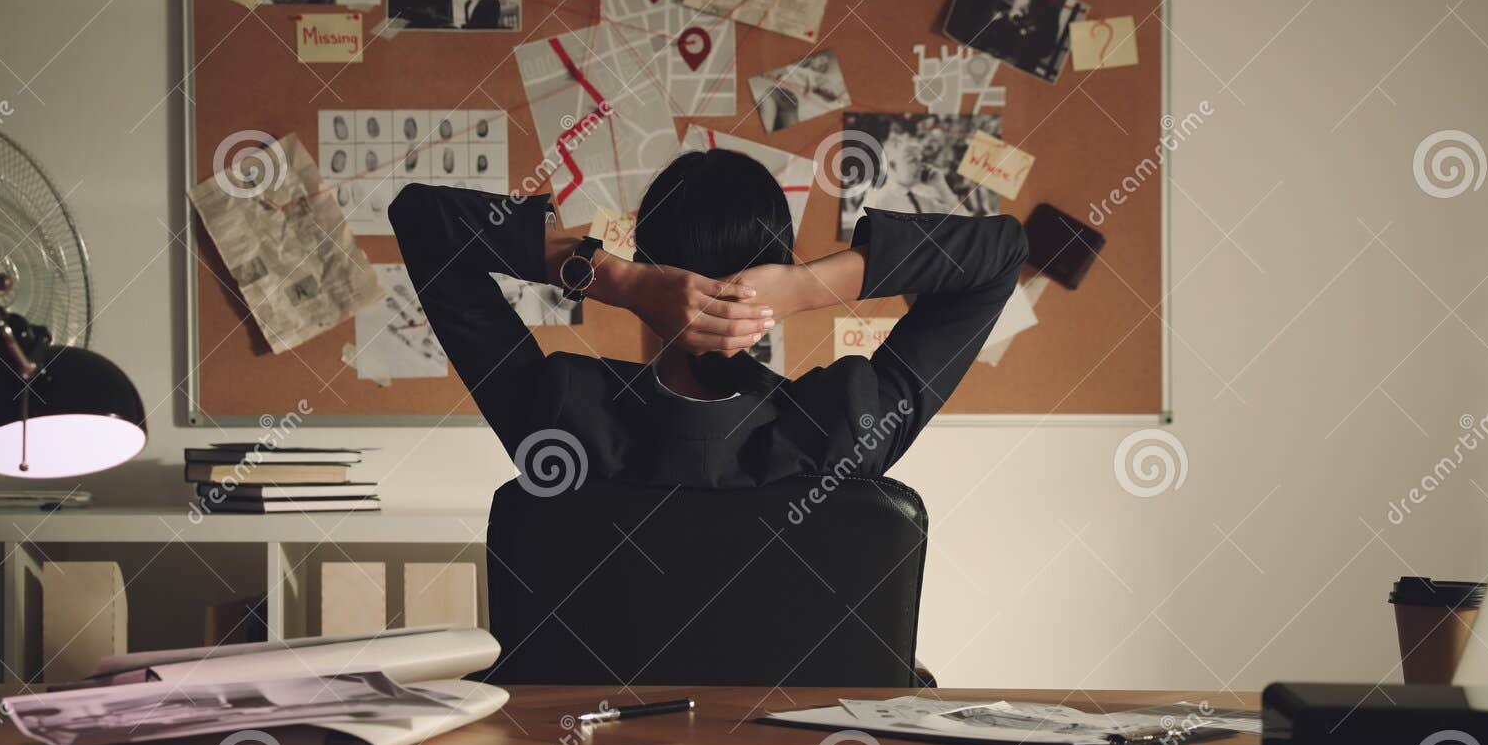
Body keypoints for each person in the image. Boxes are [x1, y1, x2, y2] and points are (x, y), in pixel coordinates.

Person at [389, 148, 1026, 488]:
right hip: (793, 740)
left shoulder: (559, 414)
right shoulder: (848, 427)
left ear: (652, 261)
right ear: (777, 263)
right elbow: (1000, 256)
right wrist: (808, 287)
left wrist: (619, 280)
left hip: (591, 736)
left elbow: (421, 220)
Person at [863, 132, 963, 217]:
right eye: (912, 161)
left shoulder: (925, 200)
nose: (921, 166)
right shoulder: (877, 203)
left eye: (921, 160)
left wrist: (942, 187)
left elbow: (966, 225)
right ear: (892, 165)